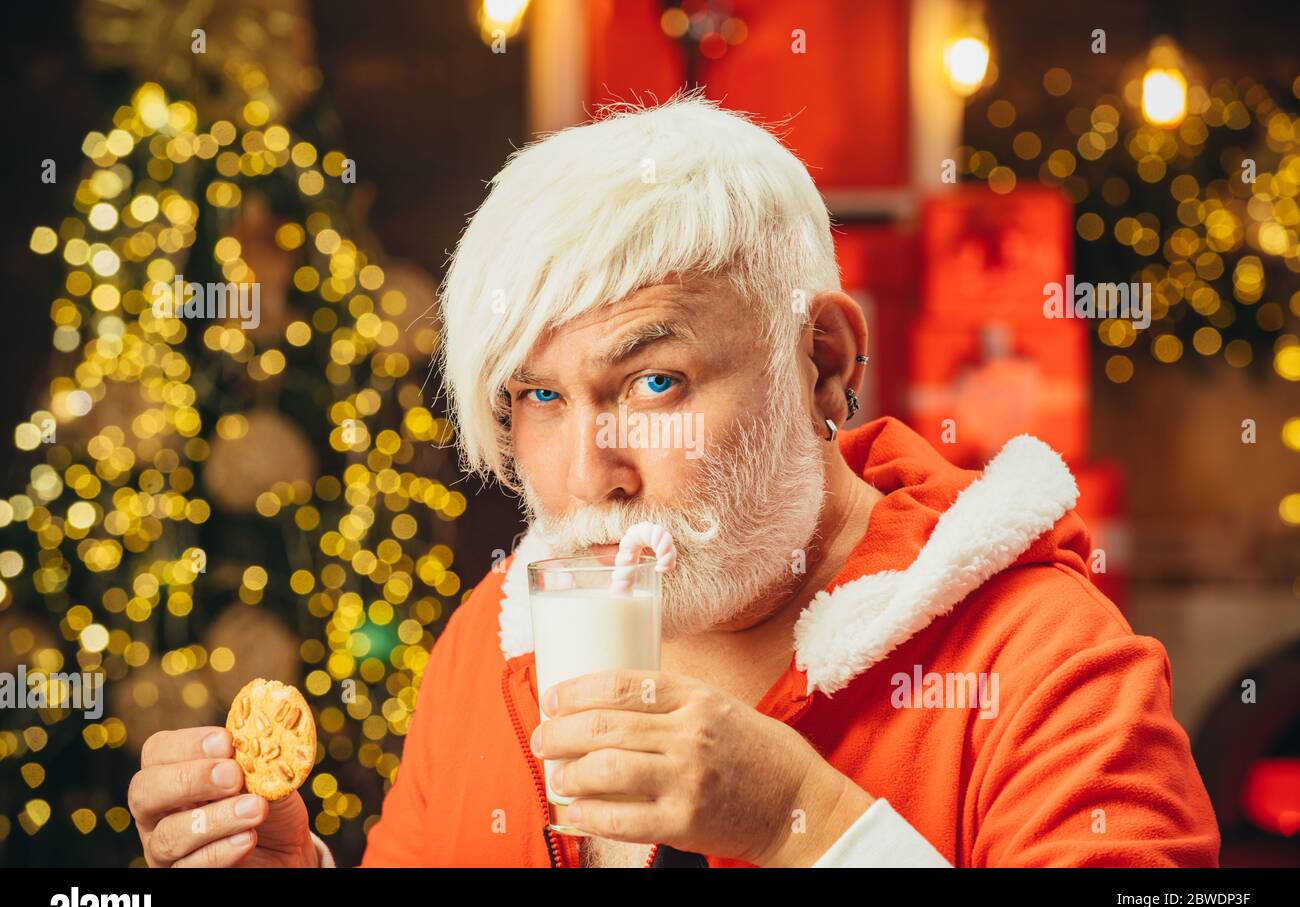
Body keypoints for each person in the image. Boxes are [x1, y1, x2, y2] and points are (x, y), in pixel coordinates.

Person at [127, 93, 1220, 868]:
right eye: (537, 398)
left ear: (824, 360)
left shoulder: (1048, 664)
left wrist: (806, 825)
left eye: (652, 380)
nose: (586, 475)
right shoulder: (491, 643)